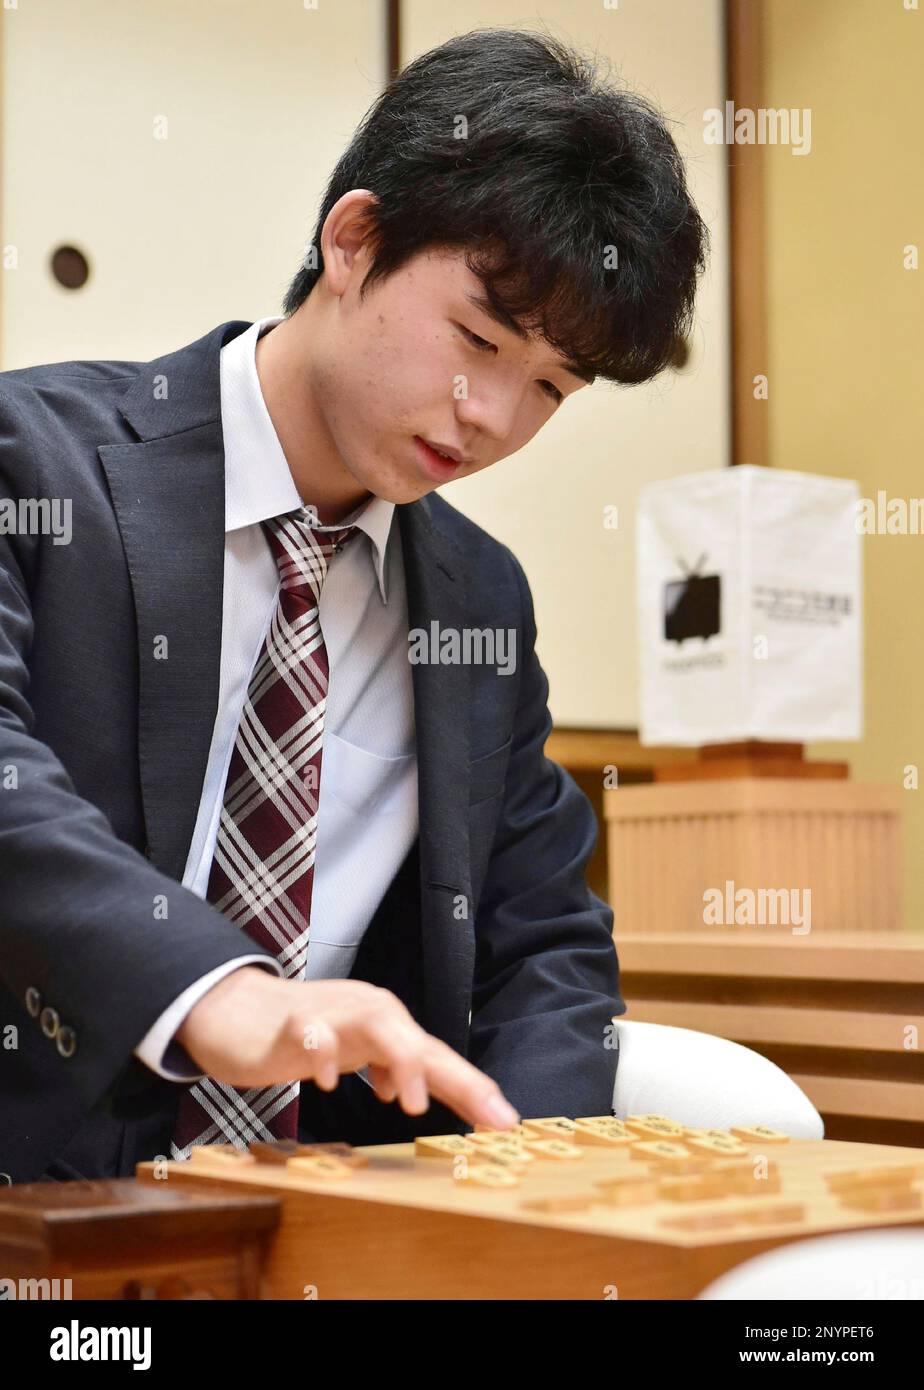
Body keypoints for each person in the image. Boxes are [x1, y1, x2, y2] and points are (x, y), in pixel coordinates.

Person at [0, 27, 708, 1183]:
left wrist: (520, 1181)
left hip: (318, 1229)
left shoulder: (478, 598)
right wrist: (206, 989)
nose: (491, 418)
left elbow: (544, 940)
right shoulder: (32, 463)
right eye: (478, 338)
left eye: (551, 389)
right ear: (353, 239)